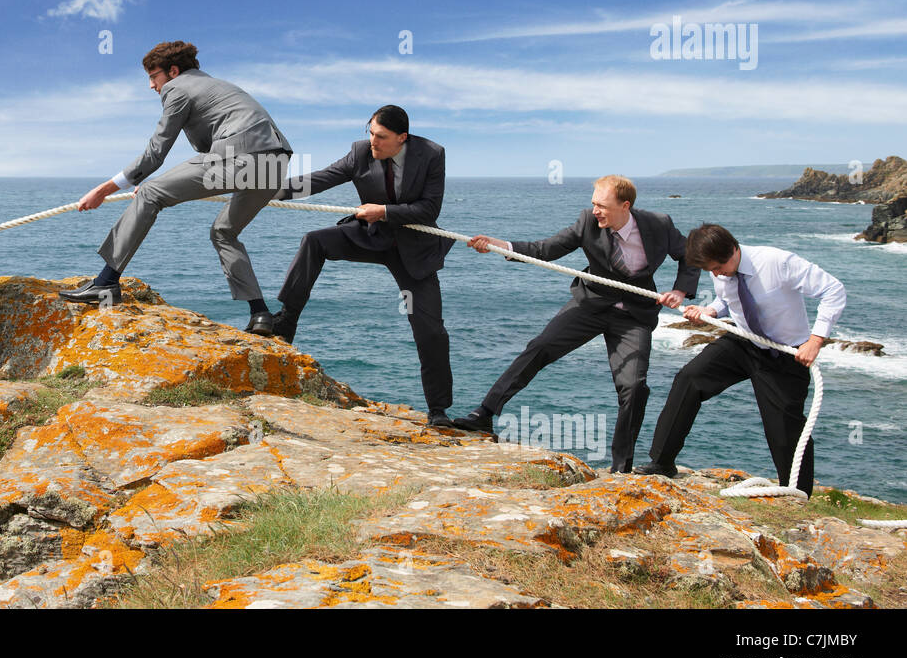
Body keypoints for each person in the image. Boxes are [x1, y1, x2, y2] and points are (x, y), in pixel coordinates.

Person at [457, 176, 699, 473]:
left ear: (626, 206)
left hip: (634, 316)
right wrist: (500, 245)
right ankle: (485, 412)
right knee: (540, 347)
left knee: (634, 387)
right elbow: (545, 249)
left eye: (602, 205)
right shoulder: (587, 221)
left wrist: (679, 291)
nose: (595, 210)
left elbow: (689, 256)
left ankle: (621, 467)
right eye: (594, 203)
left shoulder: (658, 224)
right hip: (591, 304)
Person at [59, 41, 292, 334]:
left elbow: (156, 151)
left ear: (172, 71)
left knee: (149, 193)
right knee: (224, 232)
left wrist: (105, 189)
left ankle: (106, 282)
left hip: (240, 157)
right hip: (274, 165)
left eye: (153, 76)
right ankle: (260, 314)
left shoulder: (177, 88)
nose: (151, 86)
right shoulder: (217, 86)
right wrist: (159, 183)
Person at [270, 106, 457, 427]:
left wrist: (384, 210)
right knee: (315, 241)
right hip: (369, 236)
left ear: (402, 138)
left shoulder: (431, 155)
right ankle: (286, 322)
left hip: (413, 250)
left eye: (381, 137)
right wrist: (265, 193)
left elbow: (428, 209)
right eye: (370, 132)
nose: (373, 141)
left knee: (431, 333)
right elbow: (320, 179)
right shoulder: (360, 153)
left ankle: (438, 411)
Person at [636, 224, 846, 496]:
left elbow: (834, 290)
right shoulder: (721, 268)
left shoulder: (777, 262)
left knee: (784, 425)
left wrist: (815, 340)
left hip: (785, 354)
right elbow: (728, 299)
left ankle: (797, 493)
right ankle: (662, 462)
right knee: (689, 379)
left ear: (734, 249)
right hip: (743, 343)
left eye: (719, 267)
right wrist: (709, 309)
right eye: (711, 270)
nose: (716, 274)